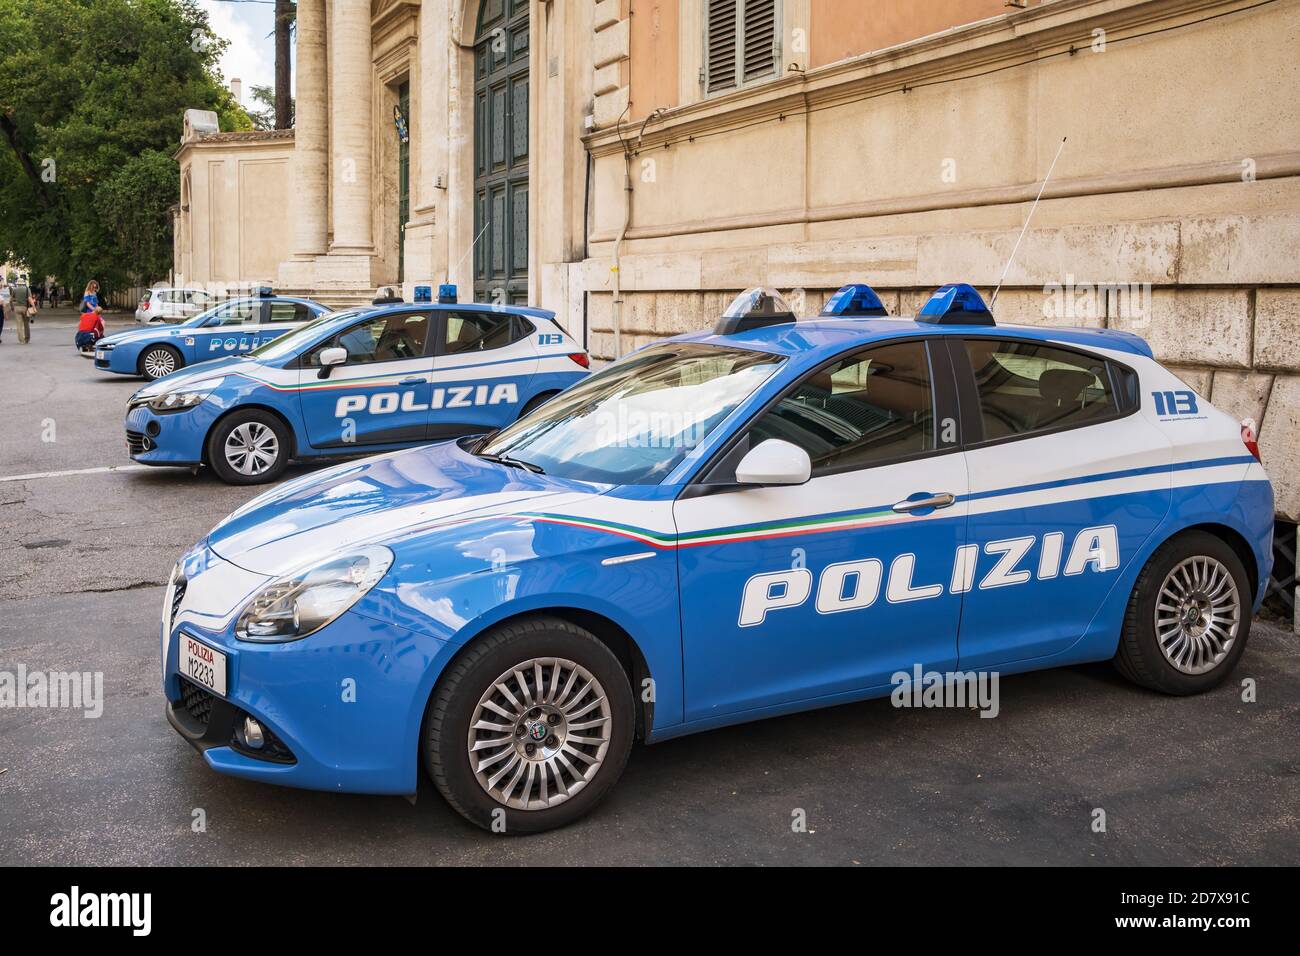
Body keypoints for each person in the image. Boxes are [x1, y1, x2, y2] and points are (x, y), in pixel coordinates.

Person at [11, 274, 30, 344]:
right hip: (25, 307)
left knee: (19, 325)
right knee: (26, 323)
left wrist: (12, 307)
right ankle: (27, 339)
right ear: (23, 283)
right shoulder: (27, 289)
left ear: (17, 284)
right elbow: (29, 299)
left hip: (17, 307)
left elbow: (11, 299)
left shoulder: (14, 289)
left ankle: (21, 340)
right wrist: (33, 307)